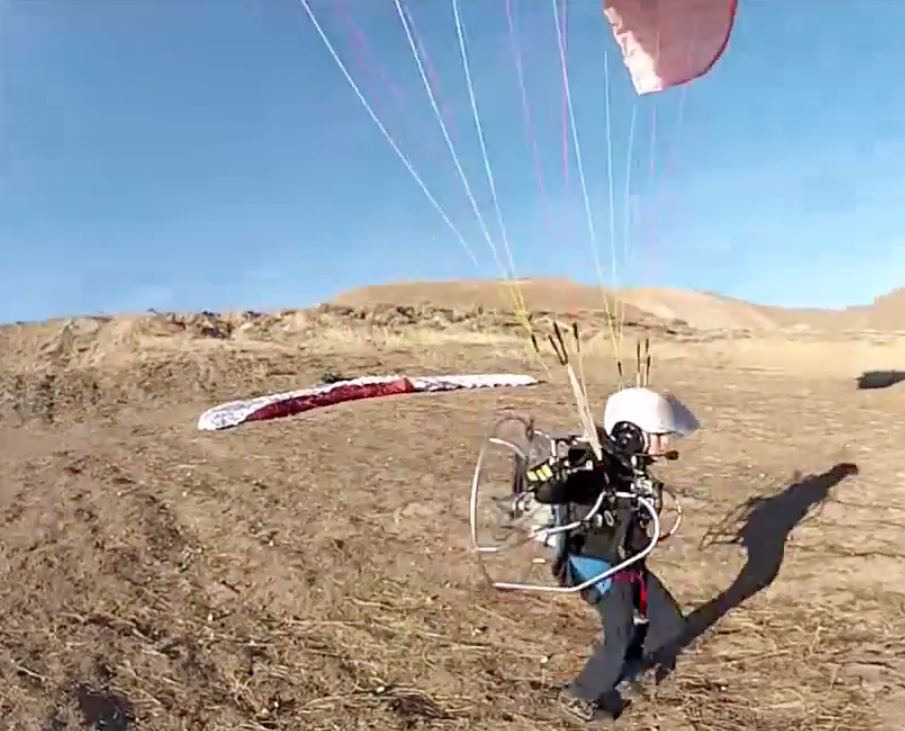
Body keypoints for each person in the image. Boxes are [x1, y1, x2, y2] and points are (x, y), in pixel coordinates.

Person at [524, 387, 700, 723]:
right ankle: (580, 695)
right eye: (660, 436)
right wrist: (555, 474)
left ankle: (625, 671)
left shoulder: (629, 465)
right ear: (632, 435)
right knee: (618, 633)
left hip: (629, 560)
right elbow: (548, 490)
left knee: (669, 624)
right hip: (597, 562)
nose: (667, 444)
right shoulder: (593, 467)